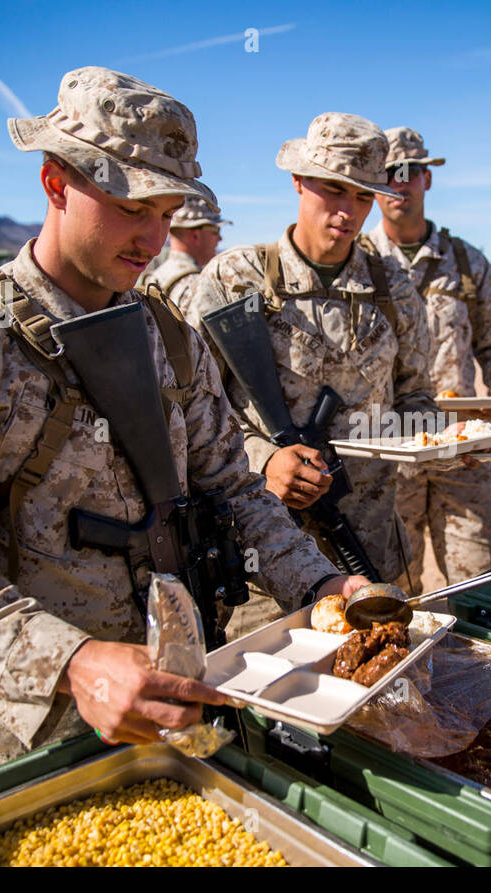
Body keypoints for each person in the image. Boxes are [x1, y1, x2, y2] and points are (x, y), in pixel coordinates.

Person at [0, 67, 366, 771]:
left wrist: (321, 587)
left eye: (166, 210)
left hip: (182, 684)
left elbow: (233, 487)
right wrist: (72, 662)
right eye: (130, 204)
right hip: (35, 724)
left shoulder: (173, 336)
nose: (153, 236)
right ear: (55, 183)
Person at [185, 113, 437, 631]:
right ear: (298, 181)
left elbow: (416, 394)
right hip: (263, 549)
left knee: (378, 682)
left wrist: (433, 439)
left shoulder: (392, 286)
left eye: (363, 197)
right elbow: (188, 412)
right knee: (270, 690)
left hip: (368, 541)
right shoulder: (236, 279)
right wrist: (265, 460)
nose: (347, 212)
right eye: (332, 190)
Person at [362, 127, 491, 591]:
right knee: (392, 591)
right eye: (389, 173)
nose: (400, 183)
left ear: (427, 179)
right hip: (389, 454)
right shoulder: (360, 264)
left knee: (479, 583)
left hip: (462, 449)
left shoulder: (467, 262)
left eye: (411, 171)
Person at [140, 195, 231, 309]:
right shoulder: (197, 286)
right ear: (195, 235)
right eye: (215, 231)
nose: (220, 238)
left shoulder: (157, 276)